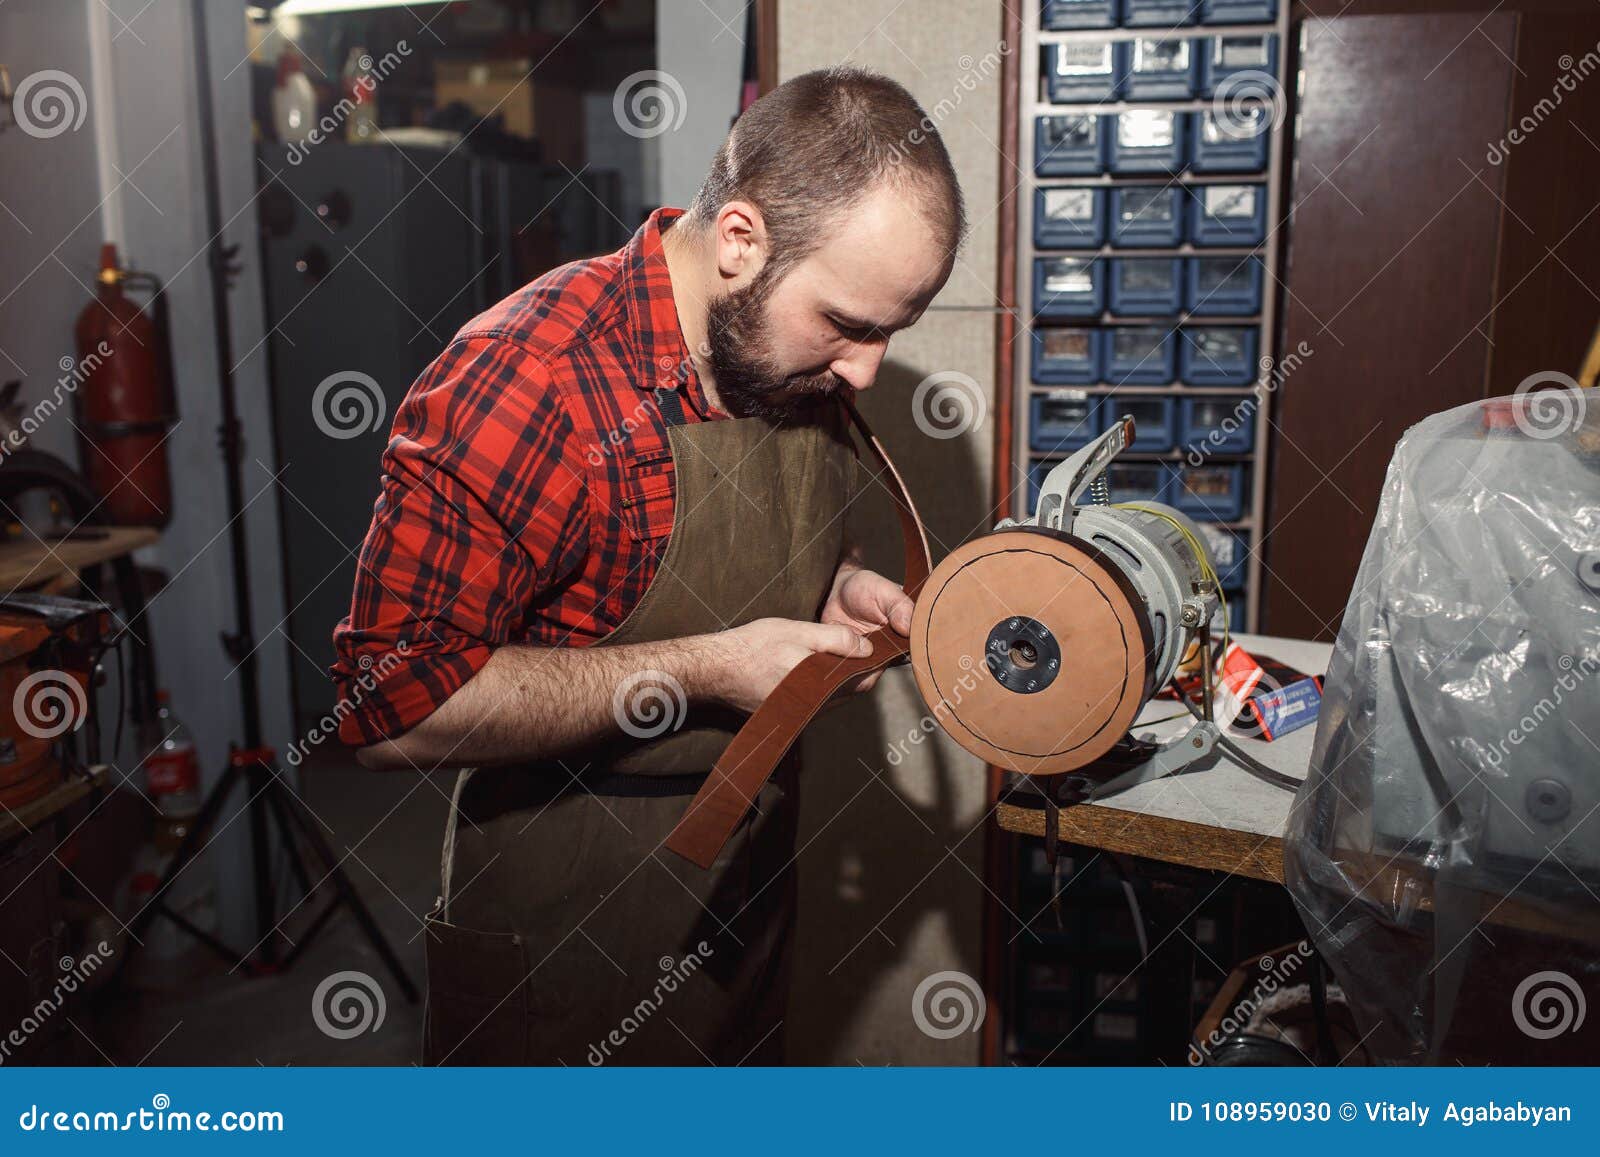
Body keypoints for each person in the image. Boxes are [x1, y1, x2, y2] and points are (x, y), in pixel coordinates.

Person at [330, 66, 964, 1065]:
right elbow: (388, 709)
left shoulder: (782, 355)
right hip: (564, 926)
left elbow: (775, 534)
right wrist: (705, 669)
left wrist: (839, 583)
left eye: (892, 332)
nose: (866, 371)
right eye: (849, 325)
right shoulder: (525, 382)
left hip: (744, 894)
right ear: (741, 241)